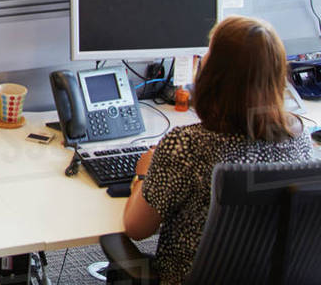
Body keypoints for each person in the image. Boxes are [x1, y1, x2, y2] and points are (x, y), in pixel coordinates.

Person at [121, 16, 311, 285]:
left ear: (213, 76)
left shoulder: (187, 146)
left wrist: (143, 175)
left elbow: (136, 228)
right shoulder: (298, 138)